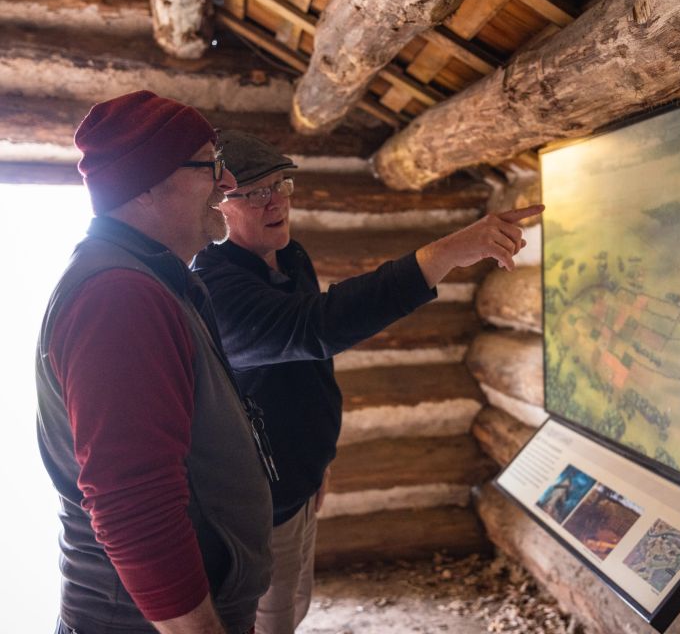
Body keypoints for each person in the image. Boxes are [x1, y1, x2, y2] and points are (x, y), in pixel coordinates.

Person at [192, 129, 543, 634]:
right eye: (256, 192)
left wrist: (321, 459)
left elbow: (314, 368)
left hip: (300, 479)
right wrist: (445, 252)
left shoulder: (290, 258)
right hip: (259, 502)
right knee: (268, 620)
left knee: (296, 604)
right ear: (218, 204)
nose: (277, 201)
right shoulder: (215, 287)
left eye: (282, 184)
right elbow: (317, 329)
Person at [36, 92, 275, 634]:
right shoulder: (117, 297)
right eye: (211, 166)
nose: (229, 184)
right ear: (143, 185)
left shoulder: (154, 280)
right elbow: (133, 505)